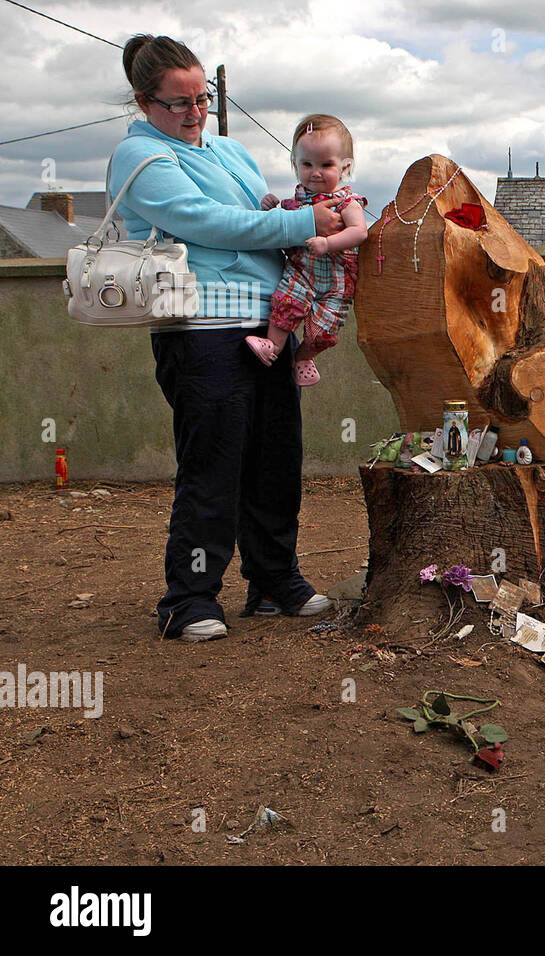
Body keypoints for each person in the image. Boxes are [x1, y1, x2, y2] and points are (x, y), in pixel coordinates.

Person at [111, 34, 341, 641]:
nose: (194, 113)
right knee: (212, 466)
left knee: (275, 459)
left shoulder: (229, 151)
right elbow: (204, 223)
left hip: (270, 324)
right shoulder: (140, 159)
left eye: (202, 99)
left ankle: (273, 581)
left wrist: (307, 219)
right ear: (143, 103)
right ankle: (188, 600)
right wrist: (293, 221)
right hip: (201, 328)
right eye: (178, 104)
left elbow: (259, 213)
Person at [243, 114, 369, 387]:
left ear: (345, 167)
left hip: (337, 280)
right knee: (286, 304)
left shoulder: (346, 201)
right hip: (302, 271)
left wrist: (328, 243)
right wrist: (270, 209)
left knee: (324, 330)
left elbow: (359, 232)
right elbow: (282, 227)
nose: (316, 172)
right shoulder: (295, 201)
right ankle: (272, 346)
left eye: (326, 164)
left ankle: (303, 357)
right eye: (307, 164)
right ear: (295, 164)